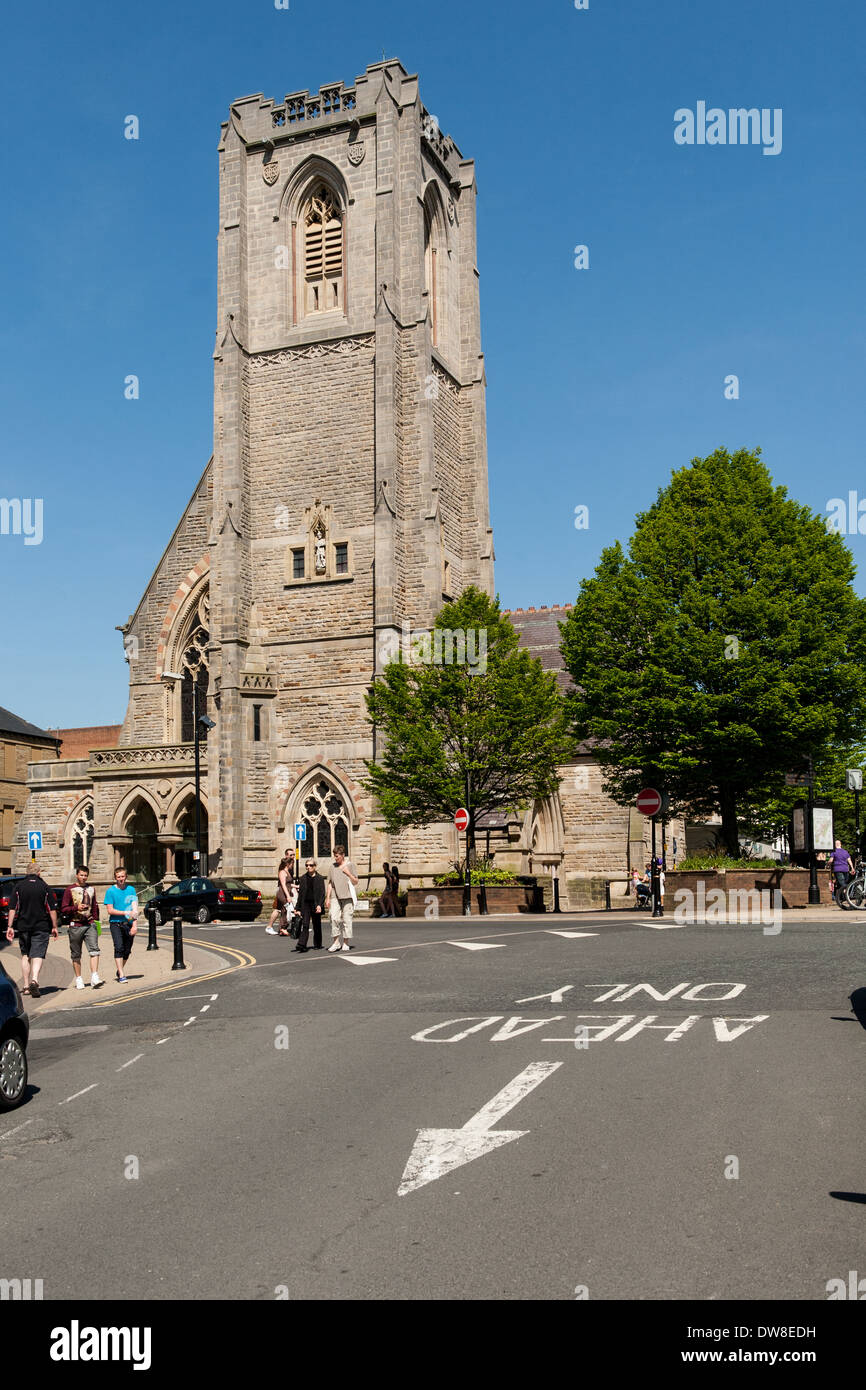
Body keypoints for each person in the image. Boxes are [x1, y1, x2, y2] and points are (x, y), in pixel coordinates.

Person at [5, 862, 58, 998]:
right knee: (38, 954)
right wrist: (54, 926)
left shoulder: (18, 886)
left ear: (27, 873)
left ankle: (26, 986)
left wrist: (10, 926)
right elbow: (51, 909)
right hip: (41, 926)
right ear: (39, 873)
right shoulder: (45, 887)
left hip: (23, 926)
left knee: (25, 955)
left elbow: (12, 908)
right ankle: (35, 979)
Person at [61, 865, 103, 989]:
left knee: (94, 950)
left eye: (85, 875)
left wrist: (96, 921)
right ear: (77, 875)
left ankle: (94, 976)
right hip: (75, 925)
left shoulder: (91, 889)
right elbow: (63, 909)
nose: (83, 877)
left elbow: (95, 906)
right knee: (76, 954)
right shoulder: (70, 889)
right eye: (81, 875)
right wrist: (76, 908)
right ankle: (79, 978)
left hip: (90, 924)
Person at [103, 867, 139, 983]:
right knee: (119, 947)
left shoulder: (131, 890)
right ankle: (122, 974)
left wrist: (135, 925)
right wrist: (125, 912)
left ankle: (119, 969)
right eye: (118, 877)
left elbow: (134, 909)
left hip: (128, 924)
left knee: (127, 950)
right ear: (115, 878)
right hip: (115, 924)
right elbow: (110, 910)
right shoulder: (110, 891)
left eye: (122, 876)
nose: (121, 879)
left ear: (126, 877)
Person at [325, 846, 359, 952]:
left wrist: (348, 873)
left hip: (348, 896)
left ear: (343, 855)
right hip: (335, 895)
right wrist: (328, 898)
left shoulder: (351, 865)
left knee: (347, 920)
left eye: (337, 856)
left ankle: (345, 943)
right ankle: (336, 942)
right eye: (334, 856)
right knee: (333, 917)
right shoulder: (332, 867)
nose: (335, 858)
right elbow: (330, 883)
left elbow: (355, 881)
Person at [295, 858, 326, 952]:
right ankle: (301, 944)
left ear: (315, 867)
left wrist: (320, 905)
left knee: (317, 925)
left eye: (311, 865)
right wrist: (298, 908)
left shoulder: (320, 878)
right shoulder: (303, 878)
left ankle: (318, 944)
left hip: (316, 904)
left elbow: (322, 893)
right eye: (307, 865)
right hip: (306, 905)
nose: (308, 867)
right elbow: (300, 895)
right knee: (305, 924)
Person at [265, 851, 294, 936]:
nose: (292, 865)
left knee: (283, 910)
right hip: (283, 893)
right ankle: (281, 928)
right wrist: (288, 896)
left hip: (286, 893)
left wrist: (297, 886)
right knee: (286, 909)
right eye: (291, 855)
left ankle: (281, 928)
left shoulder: (288, 872)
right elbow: (283, 885)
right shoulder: (282, 872)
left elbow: (288, 883)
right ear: (287, 864)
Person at [830, 839, 854, 905]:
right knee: (843, 883)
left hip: (838, 869)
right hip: (846, 869)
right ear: (840, 844)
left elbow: (831, 860)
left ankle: (846, 897)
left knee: (842, 884)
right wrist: (852, 868)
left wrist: (827, 864)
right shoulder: (845, 852)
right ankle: (842, 898)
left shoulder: (833, 852)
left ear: (835, 845)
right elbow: (849, 860)